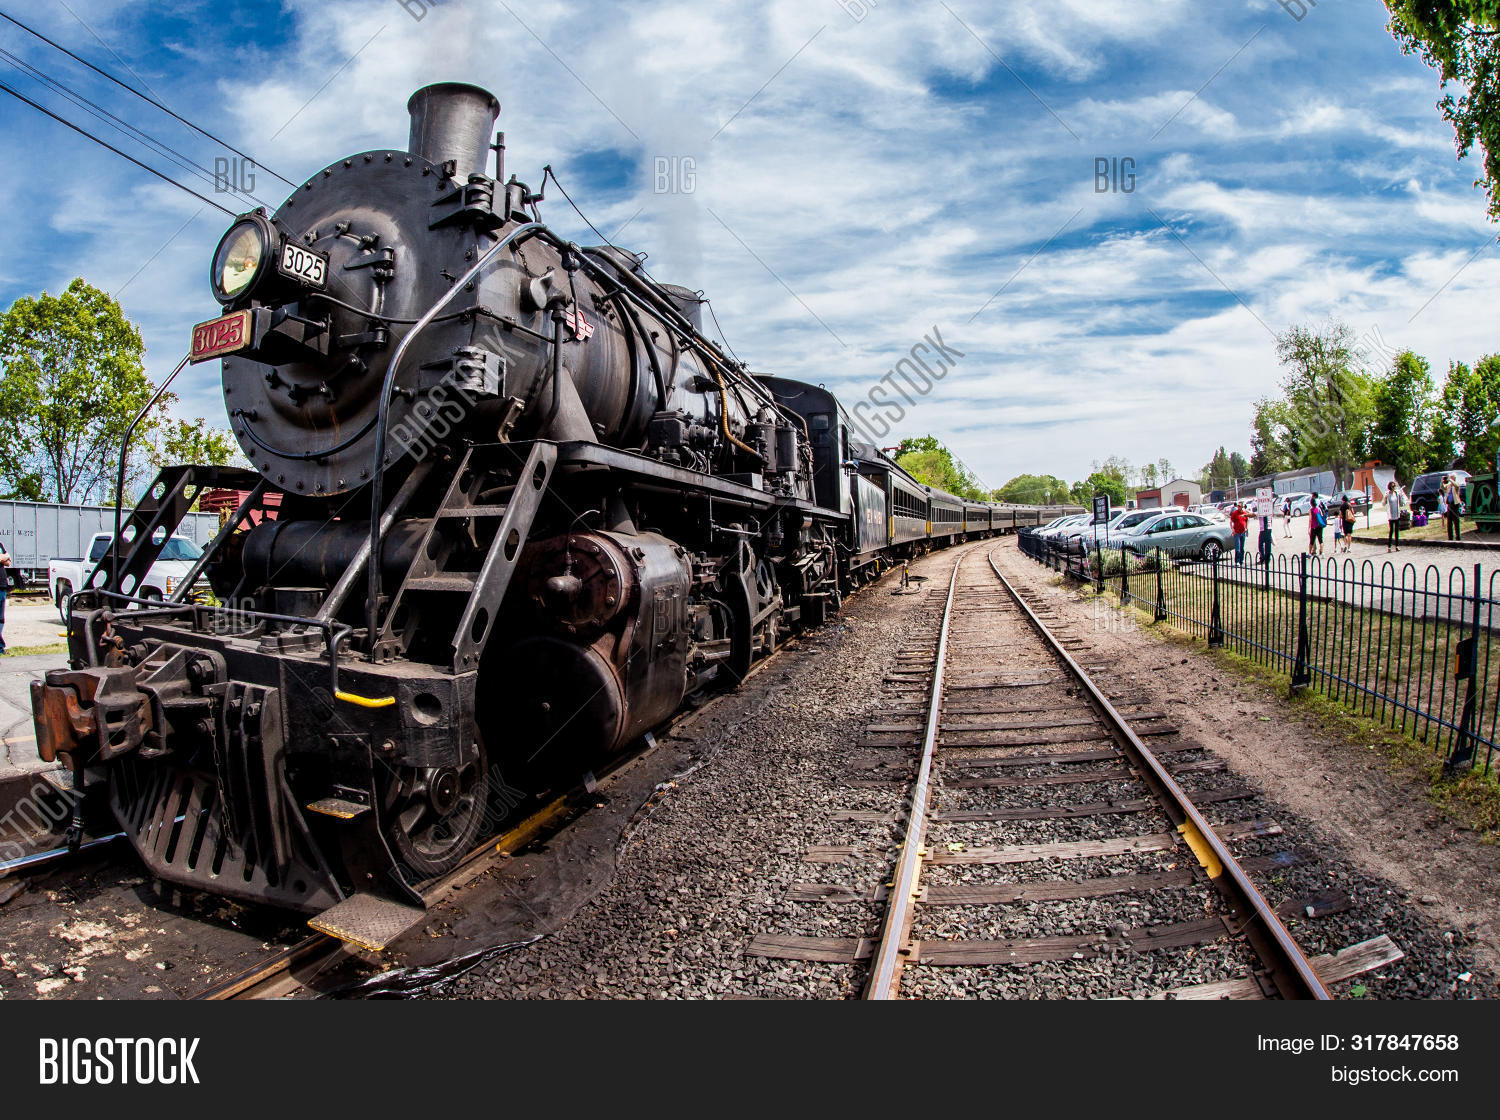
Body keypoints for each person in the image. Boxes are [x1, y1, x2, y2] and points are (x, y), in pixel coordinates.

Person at [1443, 475, 1464, 541]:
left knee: (1456, 521)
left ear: (1454, 478)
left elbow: (1457, 486)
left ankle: (1458, 537)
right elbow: (1443, 488)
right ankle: (1450, 537)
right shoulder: (1448, 486)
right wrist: (1442, 481)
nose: (1450, 479)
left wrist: (1450, 480)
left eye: (1451, 478)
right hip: (1449, 505)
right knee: (1449, 522)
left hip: (1455, 504)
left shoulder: (1456, 484)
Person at [1385, 479, 1403, 552]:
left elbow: (1401, 503)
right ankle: (1389, 547)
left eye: (1394, 486)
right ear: (1390, 487)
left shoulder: (1396, 494)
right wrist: (1385, 498)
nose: (1394, 487)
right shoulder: (1387, 494)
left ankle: (1397, 546)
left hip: (1396, 514)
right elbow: (1383, 504)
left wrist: (1401, 496)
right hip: (1391, 515)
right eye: (1393, 486)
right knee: (1391, 530)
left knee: (1396, 531)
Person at [0, 536, 9, 655]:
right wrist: (4, 556)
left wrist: (4, 558)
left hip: (2, 586)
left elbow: (7, 561)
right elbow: (5, 557)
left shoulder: (0, 544)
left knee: (1, 619)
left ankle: (0, 647)